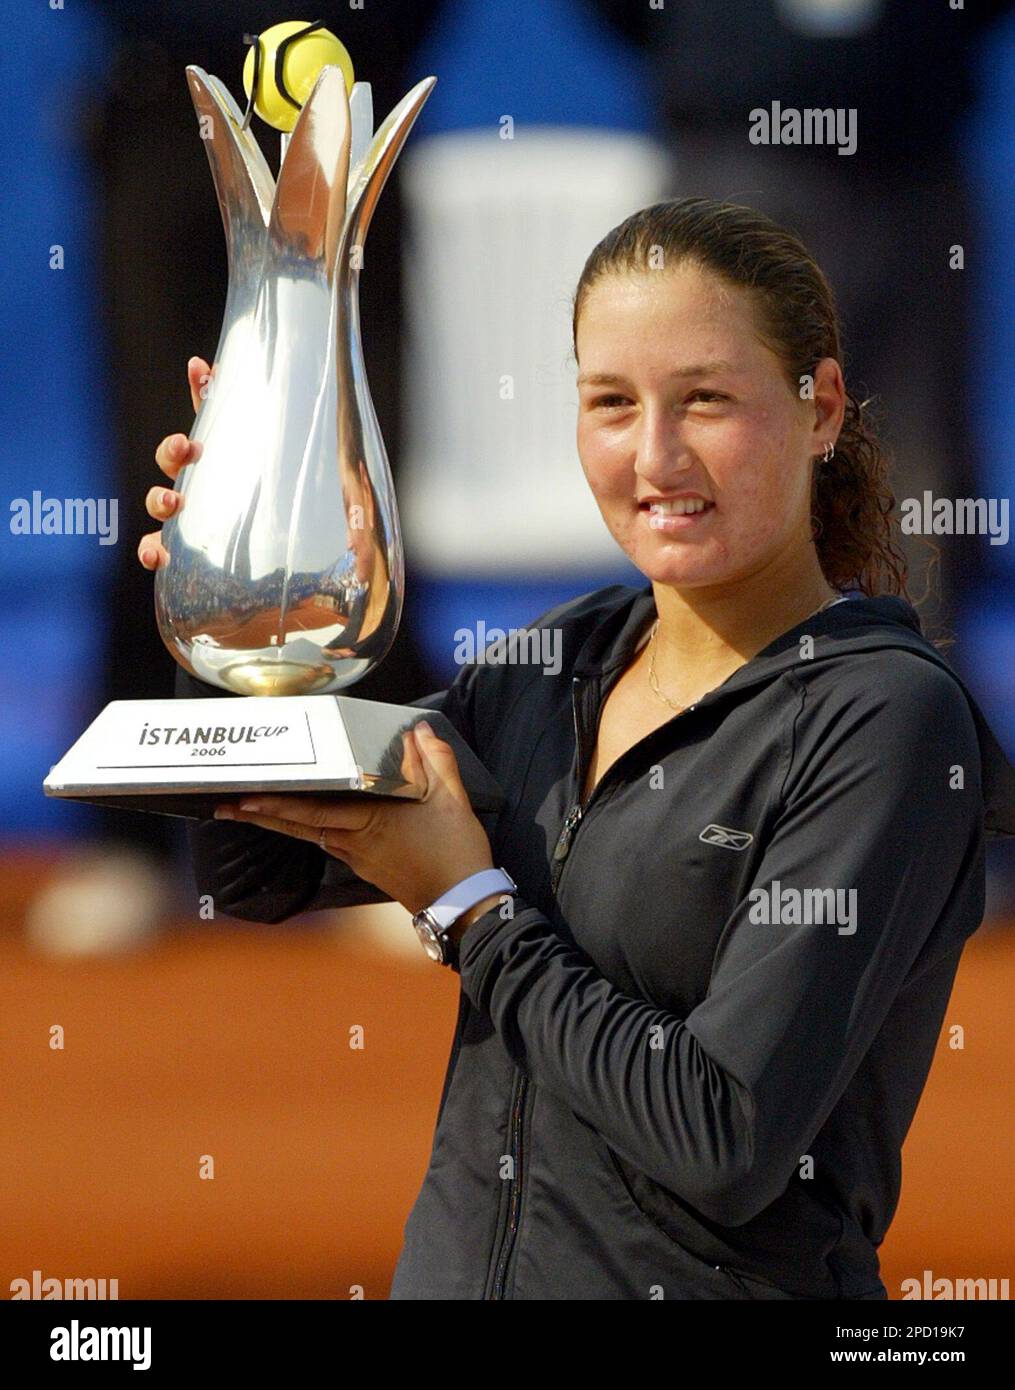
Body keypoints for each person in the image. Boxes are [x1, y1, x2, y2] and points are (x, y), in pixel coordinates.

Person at [139, 197, 1015, 1300]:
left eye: (704, 398)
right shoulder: (556, 665)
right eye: (611, 402)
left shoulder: (884, 722)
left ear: (820, 406)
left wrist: (472, 910)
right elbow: (254, 867)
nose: (655, 454)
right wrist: (239, 599)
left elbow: (725, 1132)